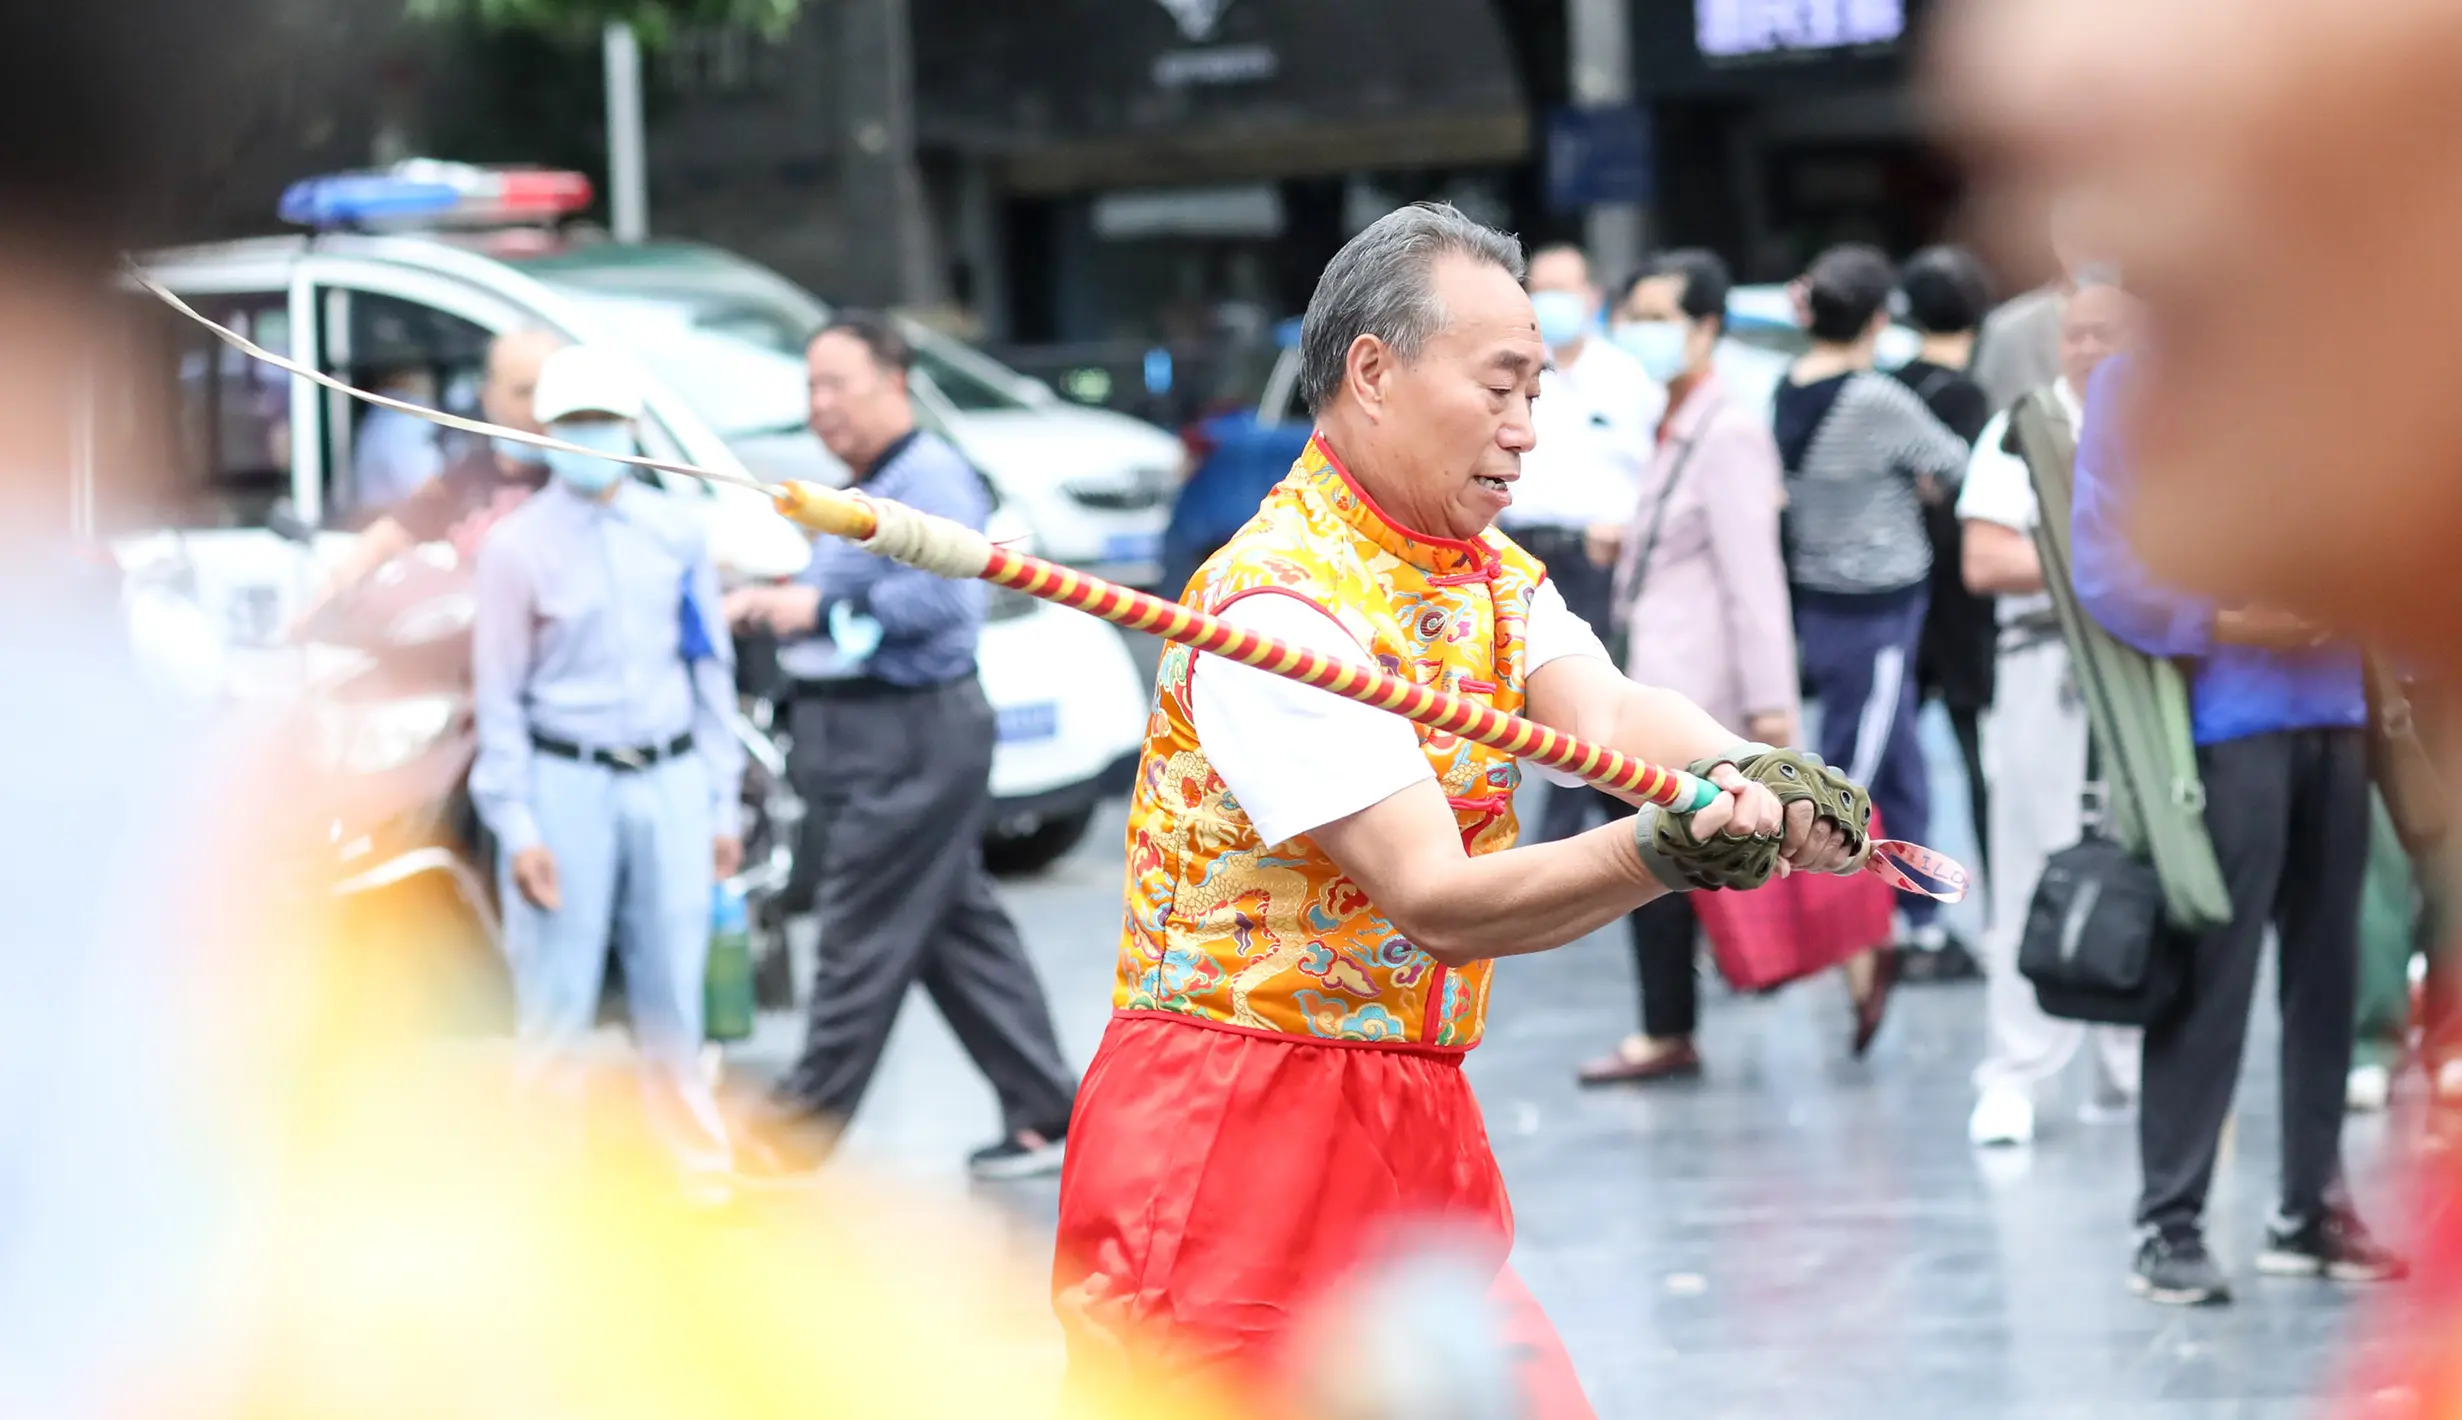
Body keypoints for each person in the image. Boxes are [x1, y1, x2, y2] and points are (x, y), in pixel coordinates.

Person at [1050, 203, 1868, 1414]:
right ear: (1372, 373)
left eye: (1535, 392)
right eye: (1497, 388)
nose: (1524, 428)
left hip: (1407, 1110)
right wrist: (1664, 850)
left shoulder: (1489, 579)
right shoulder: (1273, 610)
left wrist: (1746, 766)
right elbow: (1435, 898)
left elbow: (1609, 713)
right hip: (1233, 1130)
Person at [2068, 352, 2405, 1305]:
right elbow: (2104, 562)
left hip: (2337, 710)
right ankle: (2168, 1224)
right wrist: (2223, 620)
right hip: (2226, 722)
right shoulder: (2142, 378)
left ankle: (2309, 1208)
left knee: (2329, 974)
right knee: (2208, 976)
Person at [726, 313, 1078, 1182]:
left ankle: (793, 1131)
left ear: (894, 382)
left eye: (836, 384)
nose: (820, 405)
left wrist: (820, 610)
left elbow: (947, 599)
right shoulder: (869, 483)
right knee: (957, 932)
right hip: (873, 736)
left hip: (908, 736)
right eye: (811, 388)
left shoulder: (929, 478)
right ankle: (1047, 1113)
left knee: (860, 933)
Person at [1572, 248, 1874, 1083]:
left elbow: (1754, 580)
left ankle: (1686, 1021)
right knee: (1677, 855)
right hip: (1659, 679)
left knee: (1684, 849)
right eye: (1634, 318)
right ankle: (1680, 1020)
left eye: (1661, 318)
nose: (1642, 333)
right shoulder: (1676, 420)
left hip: (1701, 693)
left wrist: (1772, 709)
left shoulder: (1728, 430)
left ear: (1707, 328)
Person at [467, 343, 742, 1196]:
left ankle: (697, 1175)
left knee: (676, 999)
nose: (590, 437)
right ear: (547, 431)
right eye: (574, 422)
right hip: (564, 781)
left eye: (604, 421)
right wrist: (518, 825)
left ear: (630, 427)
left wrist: (722, 804)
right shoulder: (515, 548)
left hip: (669, 778)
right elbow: (498, 696)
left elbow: (710, 671)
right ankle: (549, 1194)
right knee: (555, 1000)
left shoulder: (677, 532)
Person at [1955, 275, 2143, 1147]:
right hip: (2045, 667)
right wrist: (2109, 558)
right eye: (2078, 334)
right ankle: (2018, 1071)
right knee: (2032, 862)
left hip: (2145, 675)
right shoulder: (2021, 428)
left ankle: (2132, 1064)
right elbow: (1986, 561)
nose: (2091, 348)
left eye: (2110, 333)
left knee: (2148, 864)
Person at [1774, 244, 1972, 966]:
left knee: (1900, 757)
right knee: (1850, 772)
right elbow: (1953, 460)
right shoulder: (1873, 398)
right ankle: (1834, 927)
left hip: (1822, 595)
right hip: (1880, 606)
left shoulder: (1787, 388)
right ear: (1879, 319)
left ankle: (1919, 913)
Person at [1509, 243, 1663, 842]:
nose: (1551, 303)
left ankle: (1569, 839)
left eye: (1564, 290)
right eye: (1540, 290)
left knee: (1586, 693)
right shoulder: (1514, 371)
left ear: (1592, 297)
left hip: (1598, 558)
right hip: (1520, 550)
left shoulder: (1627, 377)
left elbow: (1659, 469)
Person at [300, 330, 564, 625]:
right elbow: (386, 537)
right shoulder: (463, 476)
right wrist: (319, 606)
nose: (538, 407)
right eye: (524, 392)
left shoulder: (580, 482)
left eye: (550, 390)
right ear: (488, 397)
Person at [1894, 246, 1998, 966]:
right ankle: (1994, 912)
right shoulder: (1969, 397)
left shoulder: (1889, 387)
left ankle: (1909, 914)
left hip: (1896, 594)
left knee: (1898, 764)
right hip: (1962, 599)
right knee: (1978, 760)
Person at [348, 363, 447, 511]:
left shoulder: (380, 416)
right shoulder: (402, 420)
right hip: (396, 518)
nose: (429, 382)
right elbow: (427, 489)